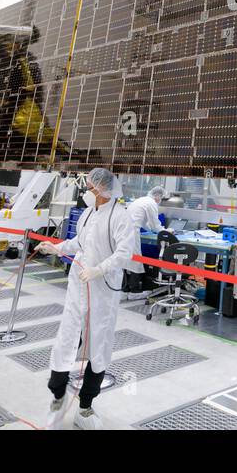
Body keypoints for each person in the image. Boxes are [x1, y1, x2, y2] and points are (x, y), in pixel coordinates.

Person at [37, 168, 137, 430]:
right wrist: (56, 247)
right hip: (77, 285)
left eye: (91, 187)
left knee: (98, 344)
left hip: (102, 290)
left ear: (103, 191)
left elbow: (125, 253)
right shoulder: (89, 212)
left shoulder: (120, 217)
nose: (87, 191)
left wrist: (99, 269)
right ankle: (57, 394)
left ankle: (86, 406)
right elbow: (79, 242)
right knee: (67, 337)